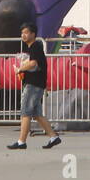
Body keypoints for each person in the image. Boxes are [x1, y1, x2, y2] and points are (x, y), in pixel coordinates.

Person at [8, 23, 61, 151]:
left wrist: (20, 69)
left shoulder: (35, 46)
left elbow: (33, 64)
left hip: (33, 84)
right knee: (37, 114)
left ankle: (21, 141)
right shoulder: (32, 48)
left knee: (25, 111)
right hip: (35, 83)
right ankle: (53, 137)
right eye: (22, 33)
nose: (23, 35)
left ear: (33, 34)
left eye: (26, 32)